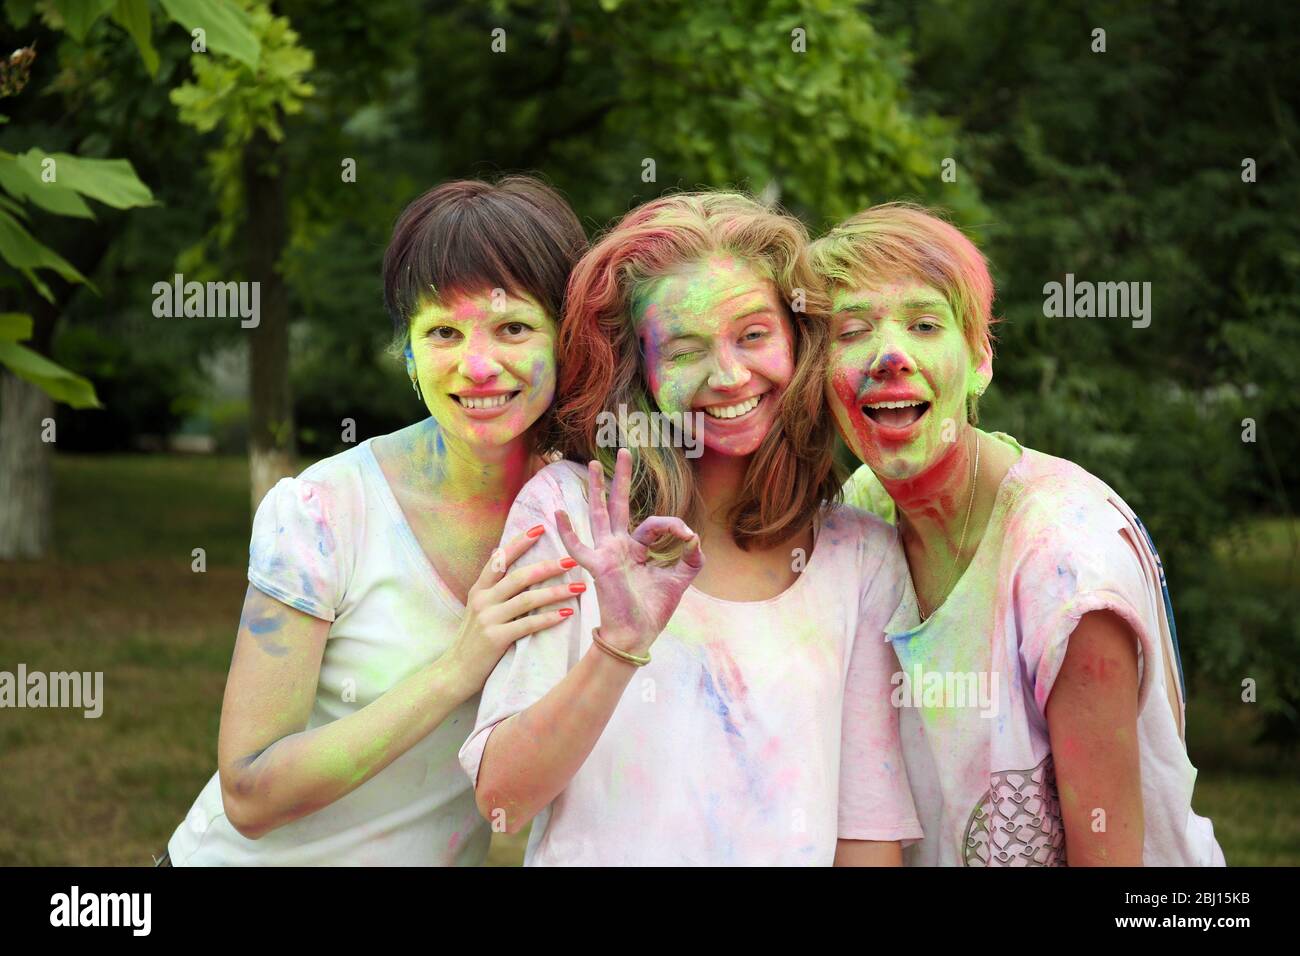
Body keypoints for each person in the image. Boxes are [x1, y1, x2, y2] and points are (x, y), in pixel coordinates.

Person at [459, 192, 921, 865]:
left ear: (798, 338)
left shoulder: (861, 556)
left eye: (754, 335)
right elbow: (504, 799)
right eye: (684, 348)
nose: (729, 375)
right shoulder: (571, 516)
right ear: (638, 369)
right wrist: (617, 646)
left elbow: (866, 836)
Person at [162, 176, 587, 865]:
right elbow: (249, 794)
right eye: (443, 331)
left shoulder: (586, 515)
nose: (478, 366)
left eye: (513, 327)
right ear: (409, 352)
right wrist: (457, 667)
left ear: (566, 337)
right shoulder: (323, 511)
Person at [809, 202, 1224, 866]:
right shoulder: (863, 512)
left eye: (923, 323)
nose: (890, 354)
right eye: (853, 329)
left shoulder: (1067, 567)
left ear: (980, 360)